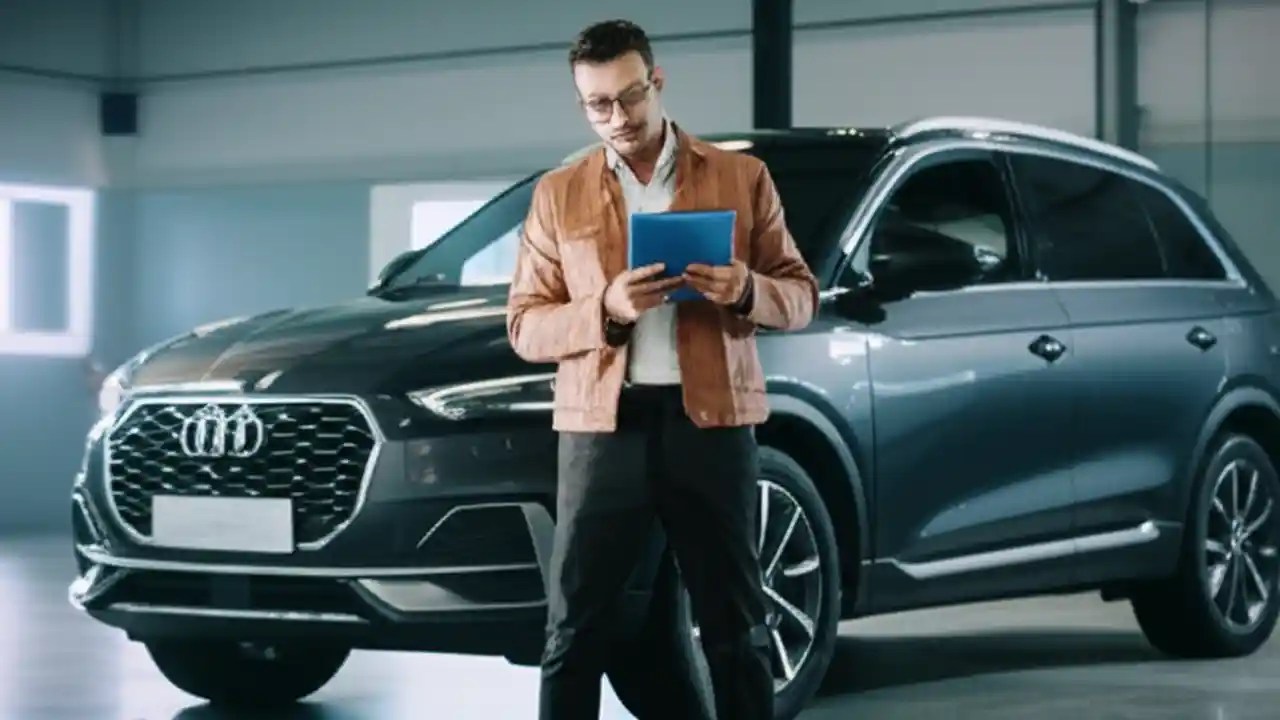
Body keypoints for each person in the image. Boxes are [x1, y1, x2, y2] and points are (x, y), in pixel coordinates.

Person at [506, 18, 819, 720]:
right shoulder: (558, 195)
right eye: (597, 105)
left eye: (629, 97)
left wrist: (744, 289)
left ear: (657, 82)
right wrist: (605, 308)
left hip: (711, 426)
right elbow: (525, 325)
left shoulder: (742, 177)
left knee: (738, 630)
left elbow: (800, 296)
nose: (616, 117)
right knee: (573, 632)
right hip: (601, 431)